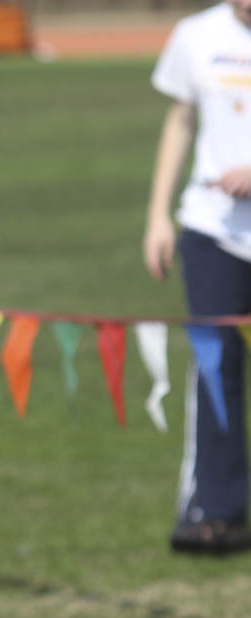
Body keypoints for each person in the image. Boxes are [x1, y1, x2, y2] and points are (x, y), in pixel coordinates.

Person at [144, 1, 251, 554]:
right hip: (210, 229)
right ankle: (216, 507)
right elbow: (181, 119)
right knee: (215, 363)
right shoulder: (195, 34)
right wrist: (159, 214)